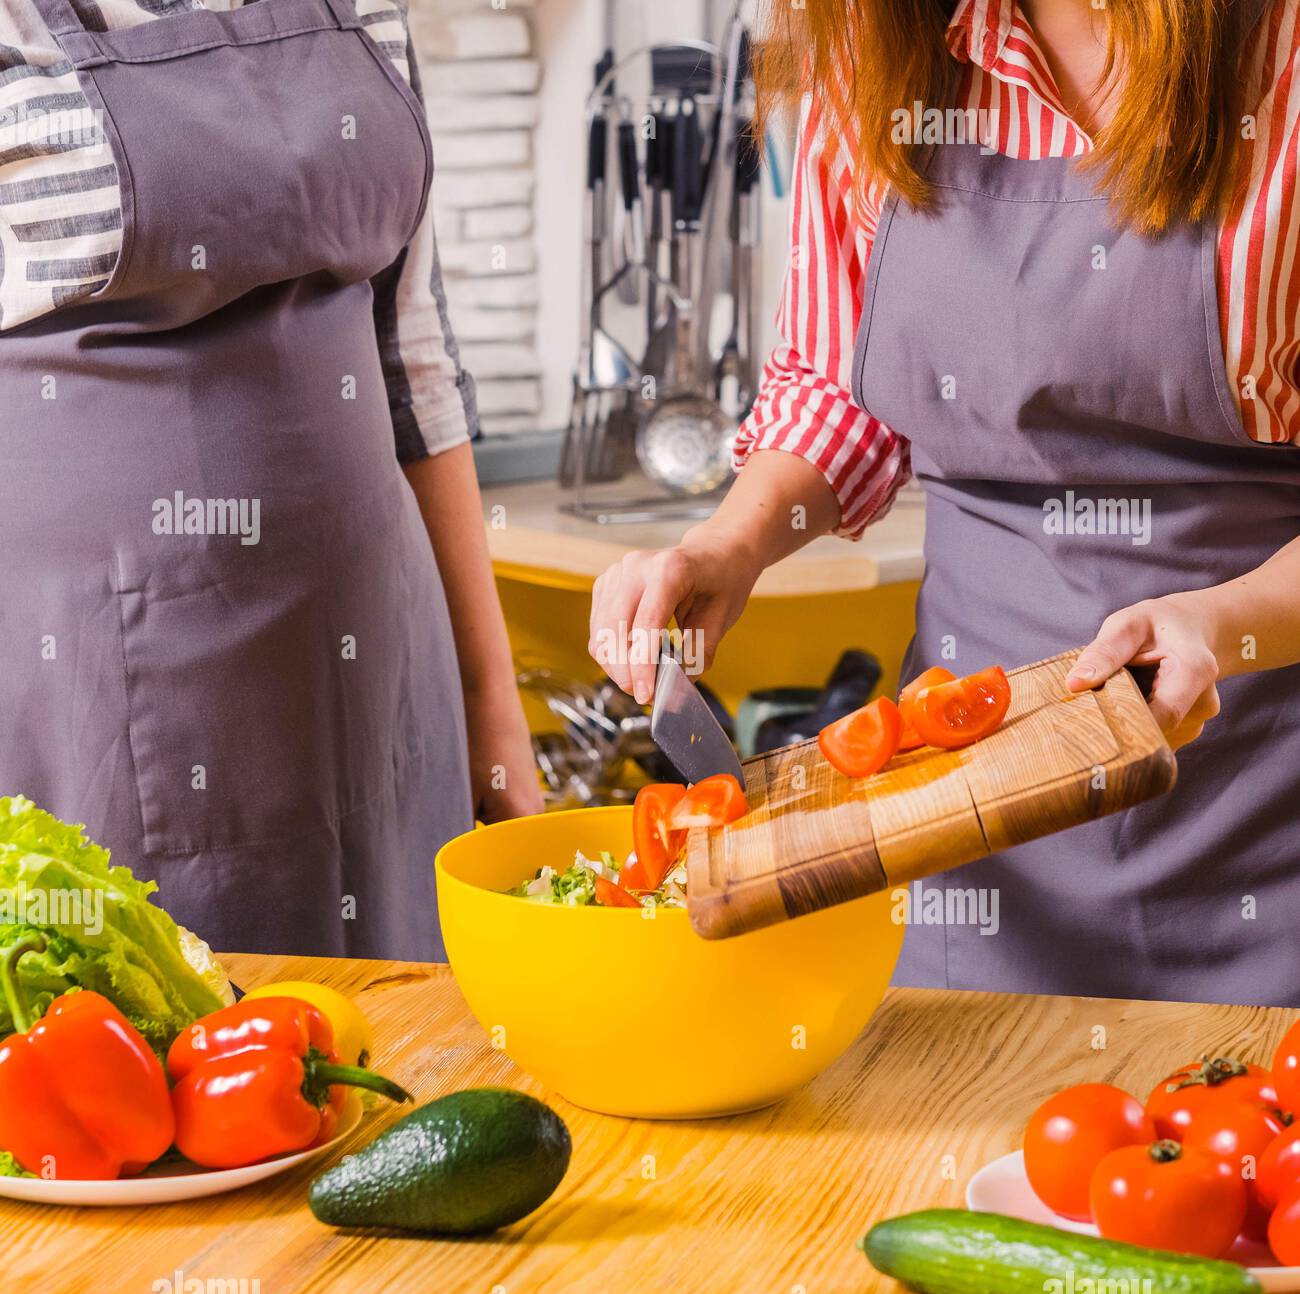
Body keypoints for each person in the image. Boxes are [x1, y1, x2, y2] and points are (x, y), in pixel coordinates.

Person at [589, 0, 1300, 1006]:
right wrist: (730, 543)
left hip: (1260, 796)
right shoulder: (873, 35)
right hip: (957, 811)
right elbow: (842, 389)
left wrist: (1219, 624)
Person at [0, 0, 541, 961]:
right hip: (96, 673)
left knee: (406, 1059)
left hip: (381, 665)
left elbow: (414, 356)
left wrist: (492, 699)